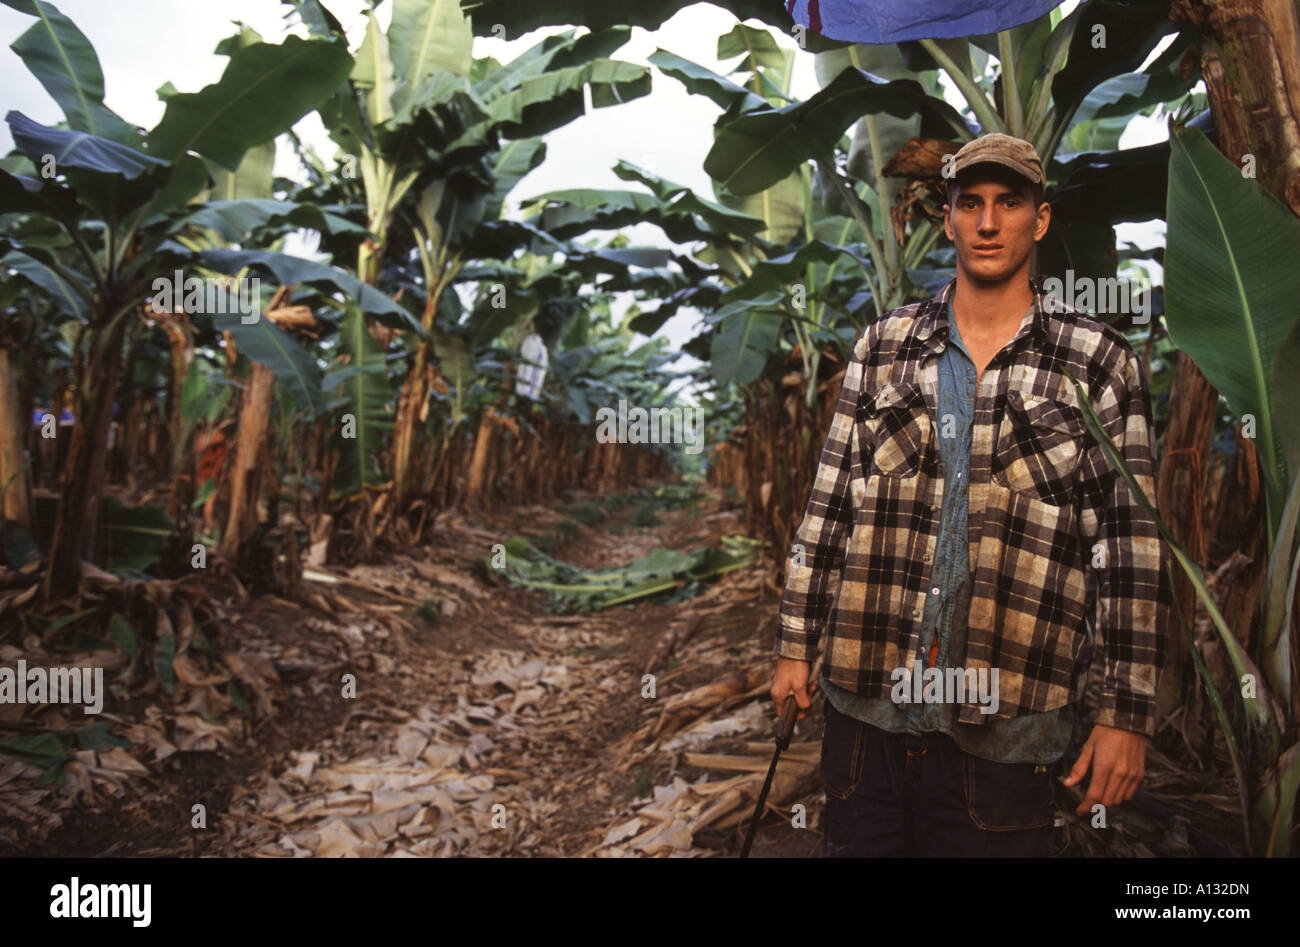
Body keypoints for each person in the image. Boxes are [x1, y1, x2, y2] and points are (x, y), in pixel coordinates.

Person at [769, 133, 1168, 857]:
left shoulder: (1098, 362)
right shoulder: (882, 346)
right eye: (970, 204)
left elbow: (1131, 551)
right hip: (870, 713)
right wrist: (795, 643)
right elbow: (827, 510)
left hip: (1008, 724)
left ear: (1039, 220)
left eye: (1009, 204)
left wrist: (1125, 712)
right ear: (946, 218)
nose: (988, 224)